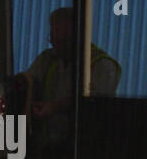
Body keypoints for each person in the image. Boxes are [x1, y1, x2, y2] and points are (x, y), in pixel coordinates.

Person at [16, 8, 120, 151]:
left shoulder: (102, 65)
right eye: (53, 37)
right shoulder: (48, 58)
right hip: (47, 144)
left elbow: (93, 103)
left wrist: (54, 107)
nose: (54, 43)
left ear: (77, 36)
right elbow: (27, 80)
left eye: (62, 39)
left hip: (83, 149)